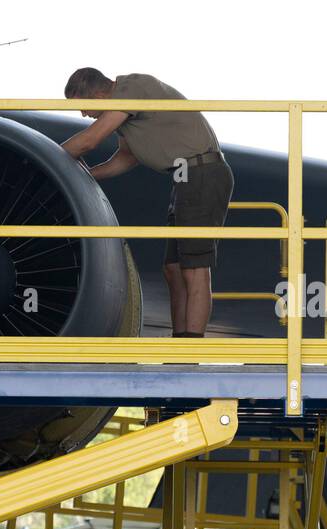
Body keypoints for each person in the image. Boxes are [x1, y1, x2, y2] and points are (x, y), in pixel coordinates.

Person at [60, 68, 233, 337]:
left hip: (202, 174)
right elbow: (125, 158)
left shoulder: (132, 88)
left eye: (83, 107)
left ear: (97, 94)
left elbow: (89, 140)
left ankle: (191, 349)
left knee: (194, 268)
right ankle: (180, 342)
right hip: (184, 179)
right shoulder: (129, 117)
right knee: (173, 269)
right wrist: (86, 174)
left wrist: (52, 159)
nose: (84, 115)